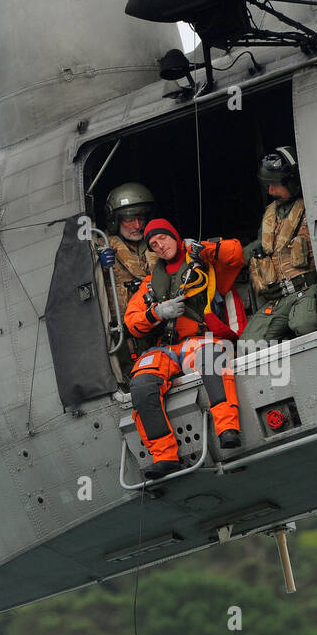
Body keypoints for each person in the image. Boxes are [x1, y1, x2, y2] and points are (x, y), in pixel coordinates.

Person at [125, 218, 246, 479]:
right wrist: (156, 312)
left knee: (211, 357)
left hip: (199, 340)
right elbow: (132, 323)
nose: (159, 246)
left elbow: (235, 255)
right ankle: (164, 456)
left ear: (175, 236)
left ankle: (227, 429)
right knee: (142, 383)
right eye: (154, 244)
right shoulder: (149, 284)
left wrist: (202, 248)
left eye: (163, 239)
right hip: (165, 349)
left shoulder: (205, 264)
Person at [241, 146, 317, 346]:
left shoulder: (314, 206)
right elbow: (259, 249)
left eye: (275, 184)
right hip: (279, 298)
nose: (270, 191)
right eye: (267, 185)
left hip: (308, 288)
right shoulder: (270, 216)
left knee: (305, 324)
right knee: (249, 344)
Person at [99, 182, 158, 376]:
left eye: (141, 218)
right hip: (126, 335)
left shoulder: (158, 242)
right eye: (130, 219)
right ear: (114, 220)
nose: (137, 225)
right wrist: (97, 266)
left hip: (159, 324)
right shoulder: (102, 247)